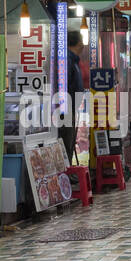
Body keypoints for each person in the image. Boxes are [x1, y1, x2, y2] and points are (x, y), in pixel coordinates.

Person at [59, 32, 85, 164]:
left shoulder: (73, 59)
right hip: (65, 109)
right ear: (77, 43)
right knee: (66, 141)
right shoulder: (67, 60)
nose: (84, 45)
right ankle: (66, 173)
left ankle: (68, 171)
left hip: (71, 108)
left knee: (70, 141)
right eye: (82, 41)